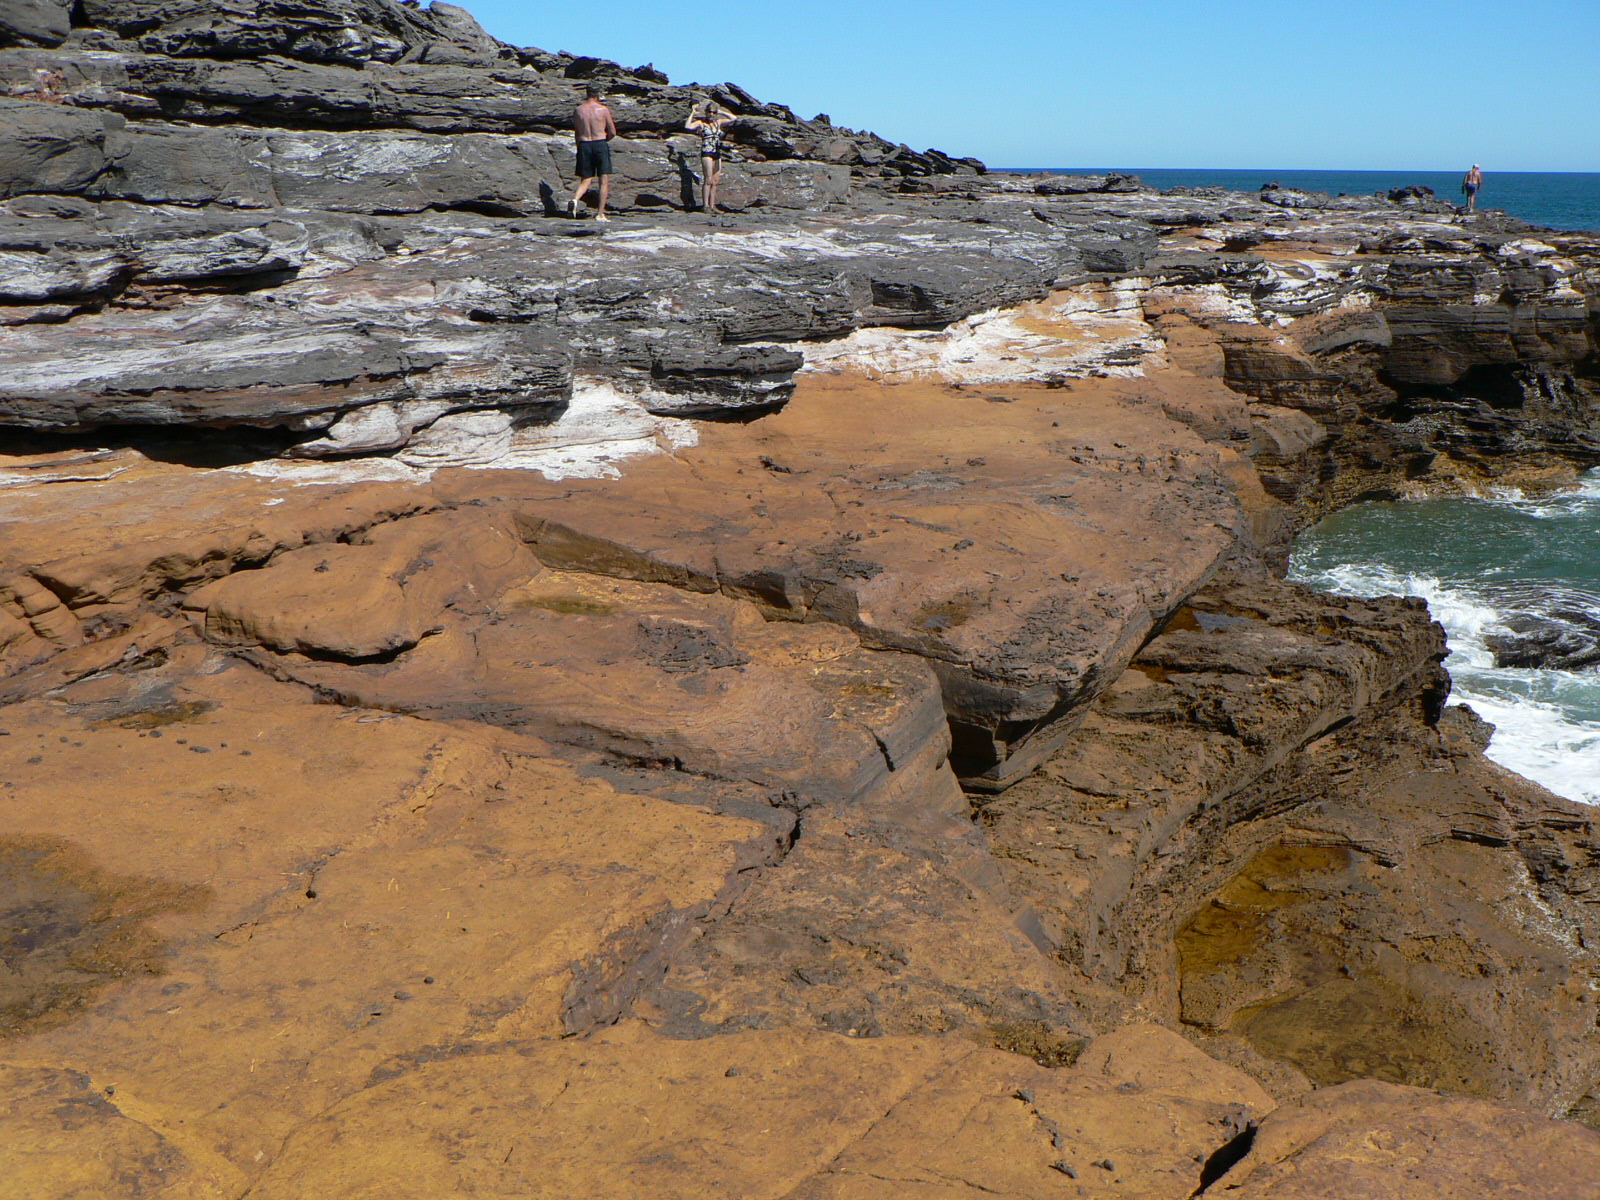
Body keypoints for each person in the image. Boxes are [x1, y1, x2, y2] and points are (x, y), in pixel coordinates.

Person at [567, 82, 617, 222]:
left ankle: (575, 199)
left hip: (584, 144)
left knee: (586, 179)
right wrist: (605, 139)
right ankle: (600, 214)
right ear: (597, 94)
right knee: (603, 180)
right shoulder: (603, 109)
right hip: (600, 143)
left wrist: (579, 147)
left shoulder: (578, 110)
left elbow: (577, 132)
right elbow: (612, 131)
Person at [686, 99, 735, 213]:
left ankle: (713, 206)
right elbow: (688, 126)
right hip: (707, 152)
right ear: (706, 112)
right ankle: (705, 206)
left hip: (717, 152)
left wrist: (722, 111)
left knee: (715, 180)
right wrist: (693, 113)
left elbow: (734, 119)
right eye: (709, 112)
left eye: (713, 112)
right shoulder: (701, 123)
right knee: (708, 179)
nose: (711, 114)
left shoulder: (718, 122)